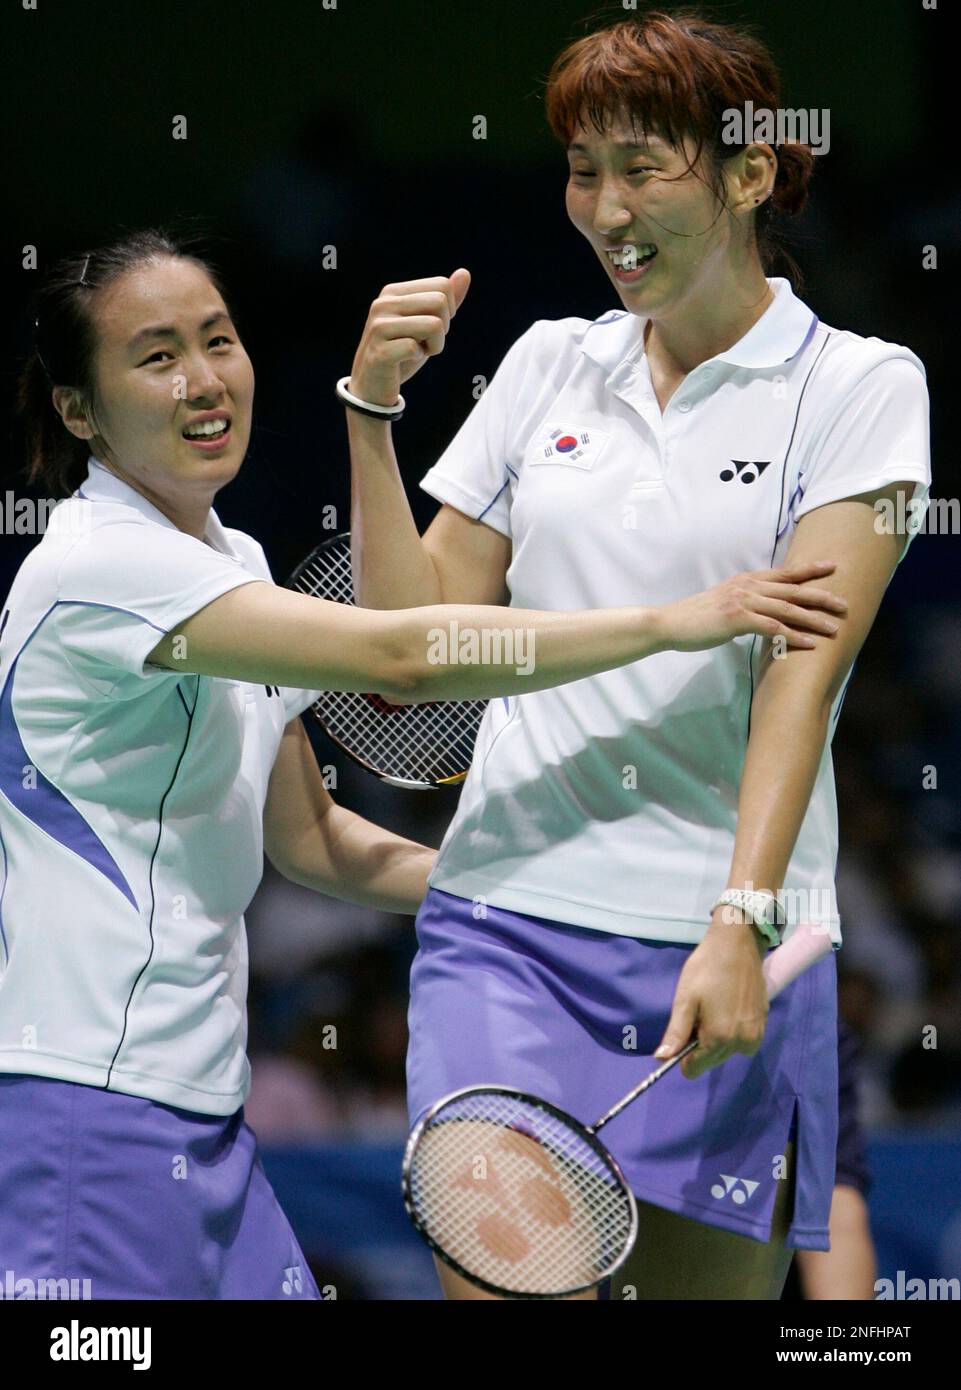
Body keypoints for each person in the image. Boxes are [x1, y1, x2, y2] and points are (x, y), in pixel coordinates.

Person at [0, 229, 839, 1300]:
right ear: (78, 410)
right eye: (156, 357)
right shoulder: (96, 565)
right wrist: (673, 622)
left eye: (217, 339)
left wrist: (544, 896)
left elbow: (310, 838)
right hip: (85, 1102)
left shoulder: (230, 561)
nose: (204, 380)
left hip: (202, 1108)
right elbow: (406, 653)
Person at [342, 9, 931, 1299]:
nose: (605, 209)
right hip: (508, 921)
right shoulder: (548, 365)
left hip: (726, 933)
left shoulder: (858, 387)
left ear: (749, 173)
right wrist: (371, 413)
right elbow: (405, 655)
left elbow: (799, 679)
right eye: (581, 171)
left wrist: (739, 920)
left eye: (641, 169)